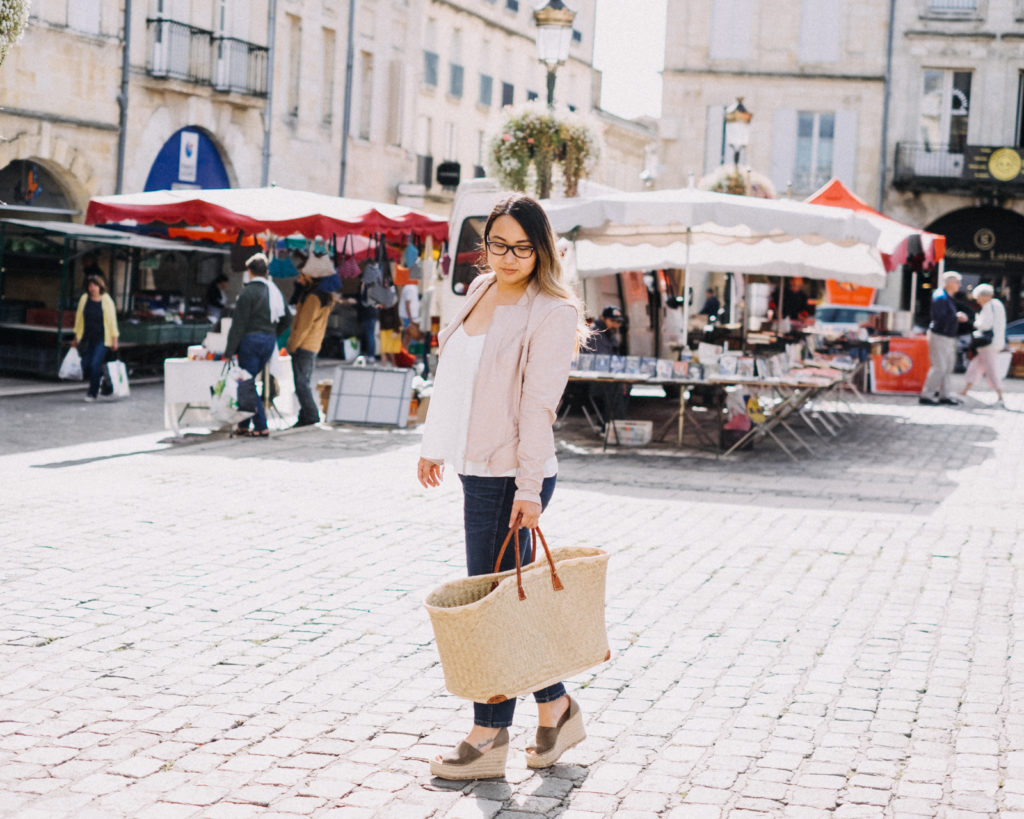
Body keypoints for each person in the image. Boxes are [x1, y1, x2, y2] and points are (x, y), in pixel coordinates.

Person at [417, 193, 591, 781]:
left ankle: (489, 736)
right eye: (498, 244)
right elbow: (454, 375)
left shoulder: (552, 311)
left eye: (521, 247)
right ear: (484, 243)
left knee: (489, 607)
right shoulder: (479, 290)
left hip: (512, 473)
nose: (509, 257)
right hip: (475, 464)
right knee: (507, 602)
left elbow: (537, 407)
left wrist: (527, 491)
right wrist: (434, 444)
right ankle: (556, 707)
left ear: (541, 247)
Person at [224, 253, 293, 437]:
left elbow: (238, 324)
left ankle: (261, 425)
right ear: (266, 271)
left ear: (249, 271)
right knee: (250, 381)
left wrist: (229, 350)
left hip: (251, 341)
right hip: (268, 341)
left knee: (247, 383)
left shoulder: (247, 292)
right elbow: (287, 318)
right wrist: (273, 334)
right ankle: (243, 424)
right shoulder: (274, 291)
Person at [287, 258, 341, 427]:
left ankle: (311, 415)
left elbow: (304, 324)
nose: (299, 279)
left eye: (302, 275)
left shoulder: (313, 297)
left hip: (304, 344)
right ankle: (305, 416)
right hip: (312, 344)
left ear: (310, 277)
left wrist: (293, 345)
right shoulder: (324, 296)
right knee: (304, 382)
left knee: (301, 384)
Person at [920, 270, 968, 406]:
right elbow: (940, 316)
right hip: (940, 335)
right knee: (940, 367)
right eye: (957, 282)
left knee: (947, 367)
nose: (959, 285)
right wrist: (956, 317)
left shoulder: (946, 296)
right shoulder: (941, 296)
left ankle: (945, 395)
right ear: (949, 283)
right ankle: (927, 395)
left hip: (947, 335)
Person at [72, 274, 119, 402]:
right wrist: (76, 337)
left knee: (95, 364)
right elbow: (79, 319)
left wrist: (115, 339)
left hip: (103, 339)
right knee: (85, 364)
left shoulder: (106, 300)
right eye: (90, 286)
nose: (92, 288)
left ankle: (92, 393)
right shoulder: (84, 299)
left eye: (95, 285)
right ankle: (103, 379)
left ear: (100, 286)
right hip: (87, 337)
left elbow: (112, 321)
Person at [958, 283, 1007, 407]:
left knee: (990, 370)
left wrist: (976, 321)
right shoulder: (998, 304)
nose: (977, 301)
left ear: (984, 296)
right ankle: (963, 393)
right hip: (994, 343)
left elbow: (984, 325)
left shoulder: (988, 306)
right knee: (975, 367)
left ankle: (1000, 397)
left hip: (988, 345)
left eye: (978, 298)